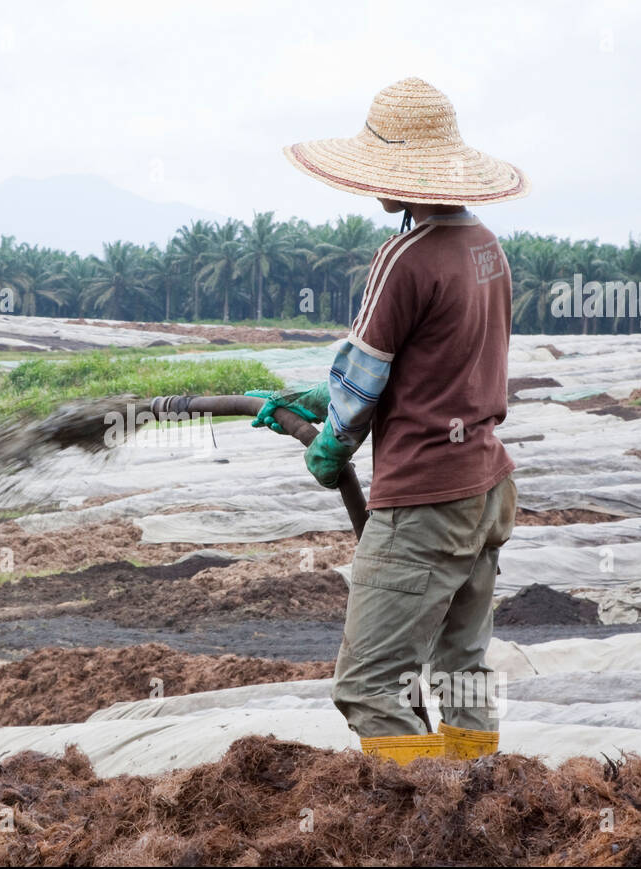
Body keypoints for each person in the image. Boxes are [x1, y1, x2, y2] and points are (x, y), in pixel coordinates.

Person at [253, 77, 529, 764]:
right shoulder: (487, 248)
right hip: (485, 487)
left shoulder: (404, 258)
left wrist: (330, 439)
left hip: (426, 500)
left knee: (370, 685)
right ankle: (481, 791)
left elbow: (369, 372)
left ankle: (432, 822)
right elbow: (437, 361)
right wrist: (331, 393)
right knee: (461, 665)